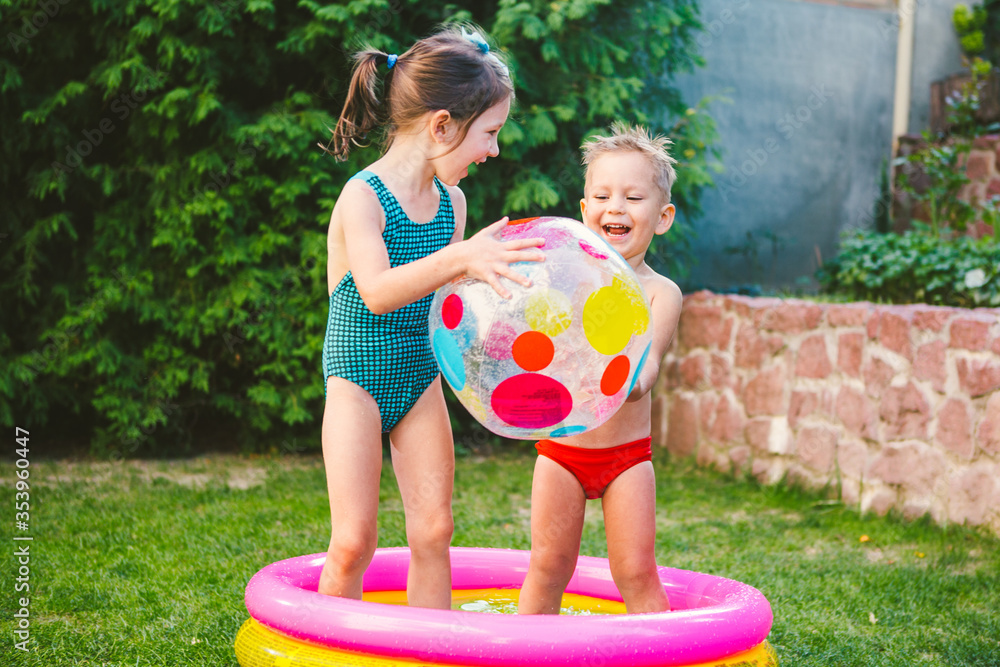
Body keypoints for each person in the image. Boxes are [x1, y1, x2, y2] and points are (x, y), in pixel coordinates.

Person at [318, 26, 544, 609]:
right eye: (489, 133)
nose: (493, 151)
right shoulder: (363, 197)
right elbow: (378, 292)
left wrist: (498, 293)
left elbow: (447, 297)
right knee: (351, 542)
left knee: (434, 532)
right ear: (442, 125)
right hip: (357, 382)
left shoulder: (453, 203)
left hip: (419, 378)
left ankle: (435, 650)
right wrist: (461, 257)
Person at [517, 123, 684, 615]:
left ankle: (664, 653)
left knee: (635, 570)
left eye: (633, 197)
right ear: (584, 210)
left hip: (627, 458)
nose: (616, 207)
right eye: (603, 195)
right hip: (561, 452)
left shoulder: (660, 293)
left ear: (662, 216)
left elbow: (647, 367)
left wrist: (631, 376)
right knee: (547, 567)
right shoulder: (563, 281)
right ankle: (525, 655)